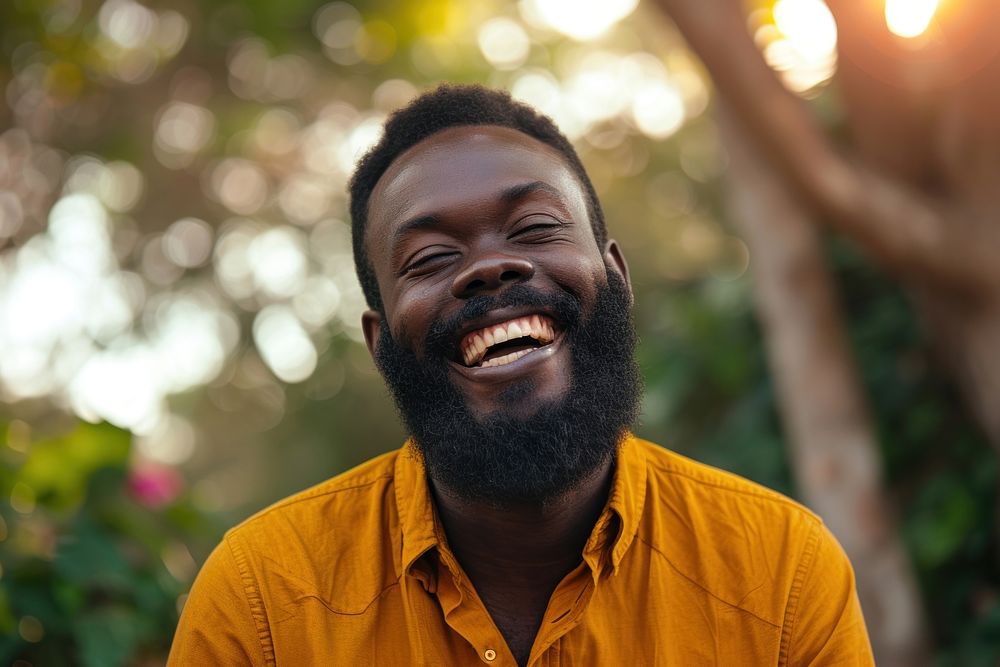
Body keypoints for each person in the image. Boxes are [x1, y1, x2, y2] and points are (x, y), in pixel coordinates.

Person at [168, 85, 874, 666]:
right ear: (381, 344)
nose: (488, 267)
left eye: (535, 227)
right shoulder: (260, 603)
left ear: (617, 278)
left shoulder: (782, 572)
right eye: (430, 258)